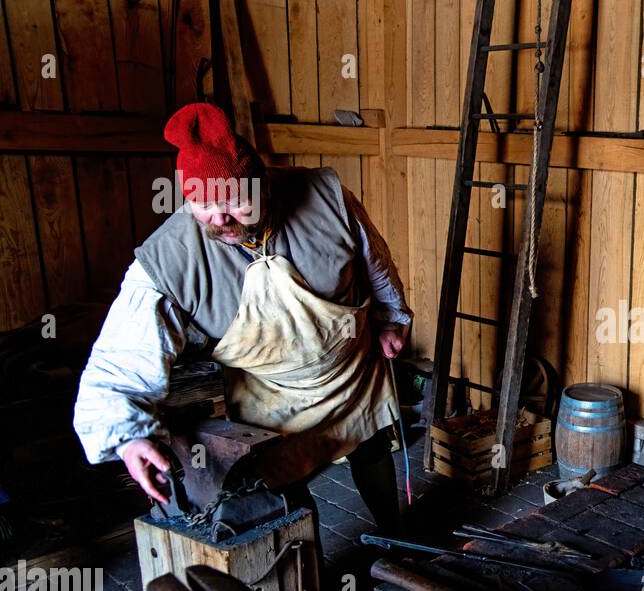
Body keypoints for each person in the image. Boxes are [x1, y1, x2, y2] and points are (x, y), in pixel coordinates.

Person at [73, 102, 412, 535]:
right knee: (282, 480)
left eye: (233, 201)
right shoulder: (170, 259)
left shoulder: (325, 198)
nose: (220, 219)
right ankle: (314, 579)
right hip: (270, 395)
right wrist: (127, 434)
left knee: (369, 444)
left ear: (262, 185)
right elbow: (119, 357)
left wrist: (391, 318)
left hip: (350, 374)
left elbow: (374, 261)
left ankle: (396, 539)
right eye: (202, 204)